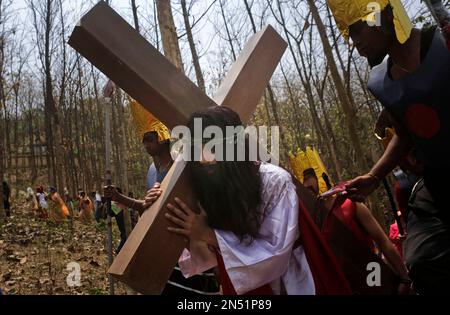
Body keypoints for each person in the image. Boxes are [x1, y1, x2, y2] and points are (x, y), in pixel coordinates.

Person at [160, 106, 352, 295]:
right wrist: (158, 202)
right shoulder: (210, 184)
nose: (203, 159)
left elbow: (275, 255)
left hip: (294, 281)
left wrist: (208, 235)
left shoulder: (274, 181)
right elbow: (209, 256)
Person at [327, 0, 450, 294]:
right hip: (437, 186)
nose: (355, 44)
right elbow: (405, 133)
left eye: (358, 30)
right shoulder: (381, 82)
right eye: (349, 35)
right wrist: (375, 175)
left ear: (385, 14)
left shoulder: (444, 43)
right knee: (422, 260)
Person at [105, 98, 220, 296]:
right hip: (164, 252)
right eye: (143, 139)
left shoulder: (184, 165)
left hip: (194, 247)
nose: (145, 145)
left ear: (163, 137)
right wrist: (120, 198)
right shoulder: (152, 170)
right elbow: (150, 210)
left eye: (149, 139)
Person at [303, 167, 411, 294]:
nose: (307, 188)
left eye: (310, 184)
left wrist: (405, 277)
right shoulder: (312, 222)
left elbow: (383, 241)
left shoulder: (350, 204)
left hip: (372, 273)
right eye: (304, 186)